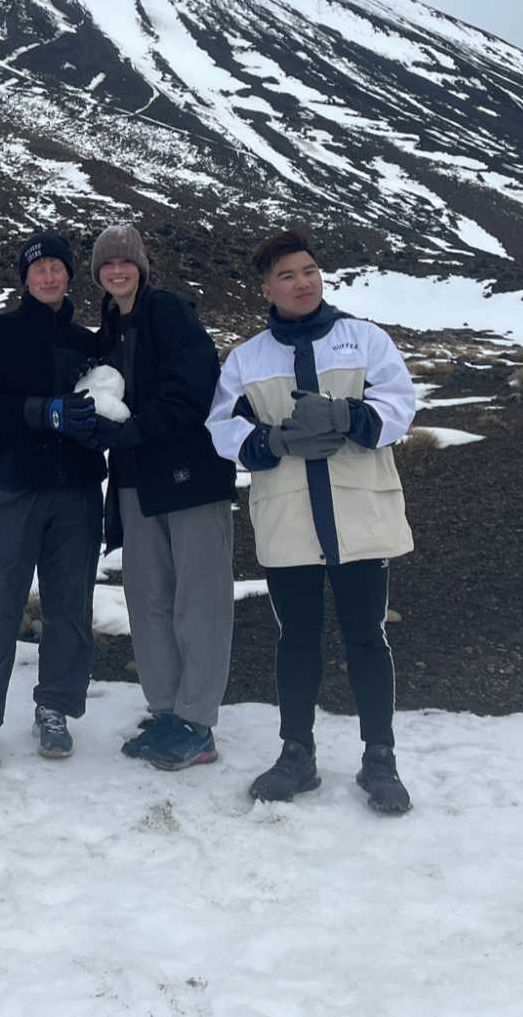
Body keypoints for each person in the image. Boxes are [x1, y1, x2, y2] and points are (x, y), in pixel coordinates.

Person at [206, 226, 419, 814]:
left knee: (367, 638)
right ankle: (295, 755)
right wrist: (269, 439)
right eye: (286, 276)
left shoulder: (365, 340)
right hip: (289, 519)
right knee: (295, 641)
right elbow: (222, 427)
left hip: (359, 515)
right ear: (266, 288)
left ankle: (381, 758)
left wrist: (352, 416)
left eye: (308, 271)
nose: (301, 283)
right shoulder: (247, 359)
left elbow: (399, 404)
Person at [86, 224, 239, 771]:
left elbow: (193, 386)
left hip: (189, 475)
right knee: (147, 599)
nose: (117, 271)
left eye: (125, 262)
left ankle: (197, 722)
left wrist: (135, 430)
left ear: (142, 267)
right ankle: (167, 709)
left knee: (199, 601)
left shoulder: (171, 312)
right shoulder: (107, 328)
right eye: (107, 265)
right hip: (134, 481)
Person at [0, 231, 105, 768]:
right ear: (25, 278)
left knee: (69, 607)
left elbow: (111, 402)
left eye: (58, 268)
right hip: (17, 488)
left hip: (79, 493)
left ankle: (55, 708)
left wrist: (98, 429)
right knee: (0, 602)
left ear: (69, 275)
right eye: (38, 270)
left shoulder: (89, 342)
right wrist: (42, 412)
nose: (49, 277)